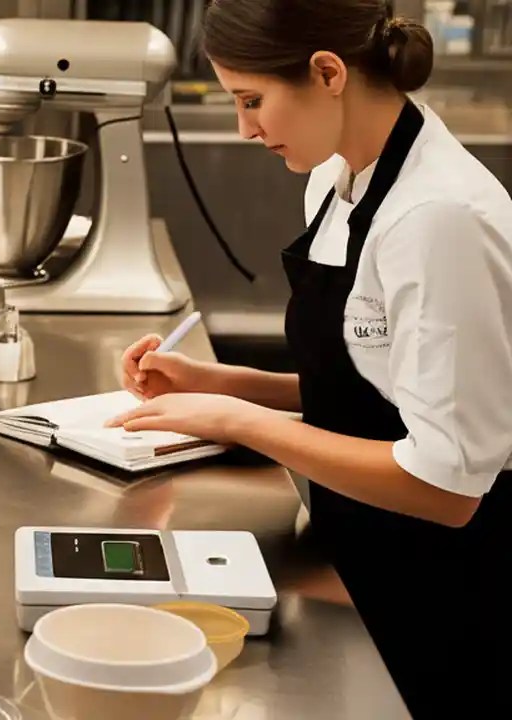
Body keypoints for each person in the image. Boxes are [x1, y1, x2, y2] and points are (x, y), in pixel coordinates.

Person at [107, 1, 511, 717]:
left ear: (328, 73)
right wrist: (221, 384)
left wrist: (243, 421)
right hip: (361, 551)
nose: (245, 127)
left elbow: (448, 489)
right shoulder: (336, 179)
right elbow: (377, 383)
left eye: (252, 100)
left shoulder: (437, 218)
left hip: (447, 595)